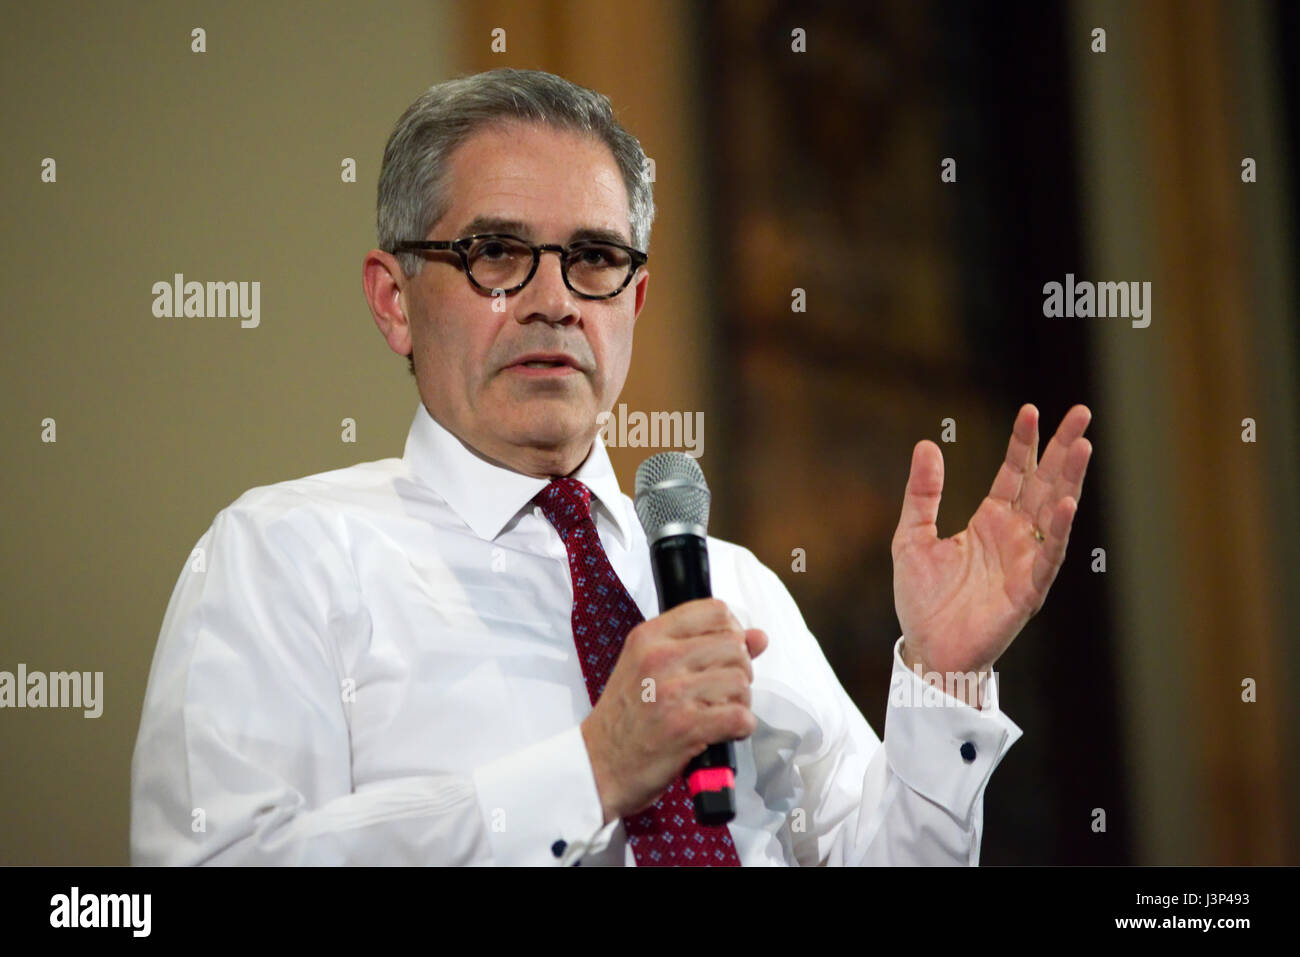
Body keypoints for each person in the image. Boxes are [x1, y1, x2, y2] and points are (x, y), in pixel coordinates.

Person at [130, 68, 1092, 866]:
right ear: (394, 301)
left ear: (635, 299)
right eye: (496, 252)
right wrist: (594, 766)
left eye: (593, 258)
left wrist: (942, 675)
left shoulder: (736, 590)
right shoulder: (284, 554)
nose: (553, 299)